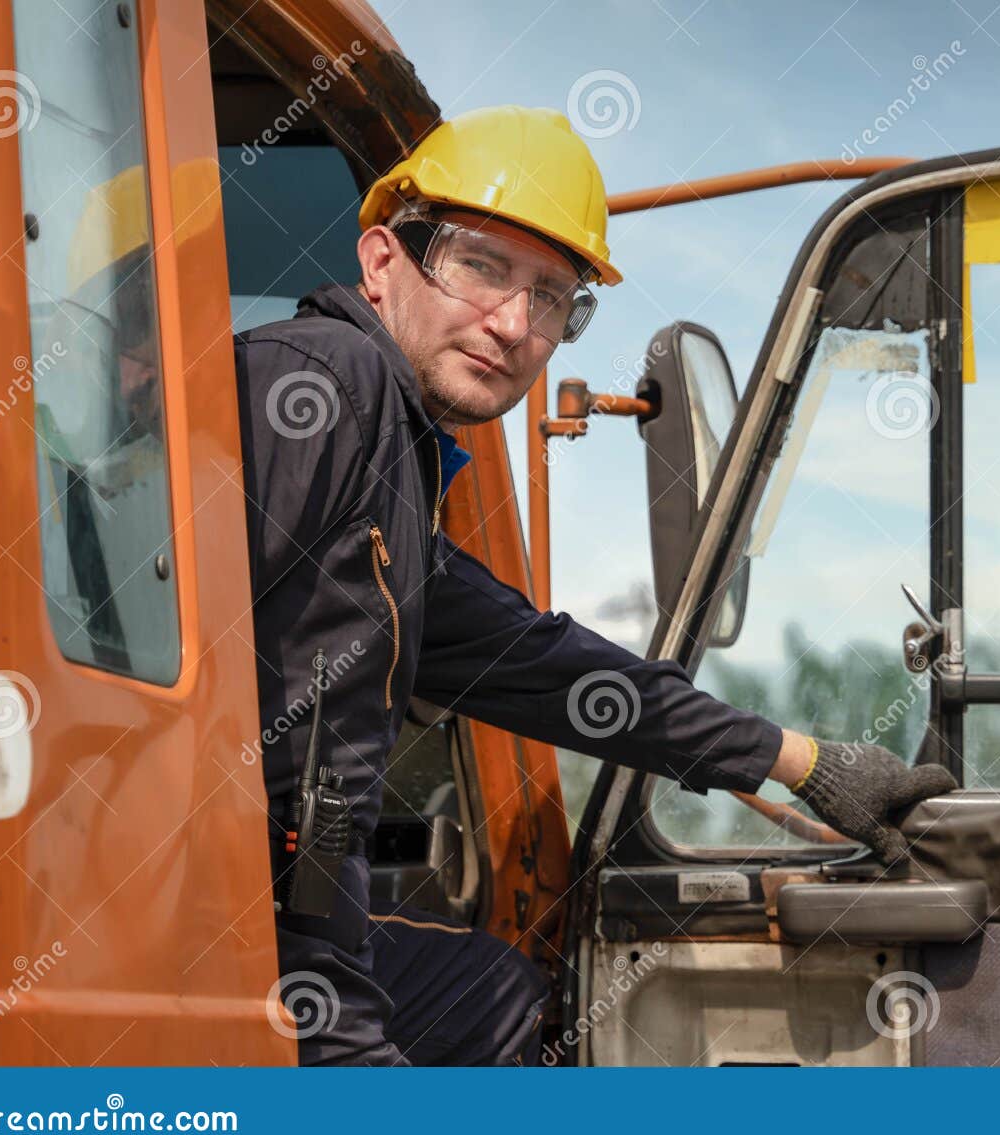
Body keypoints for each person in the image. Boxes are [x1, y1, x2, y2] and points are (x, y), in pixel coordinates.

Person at [233, 106, 956, 1066]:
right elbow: (243, 719)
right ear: (380, 261)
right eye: (481, 265)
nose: (514, 324)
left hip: (286, 919)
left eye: (553, 299)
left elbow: (545, 663)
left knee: (491, 994)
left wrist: (800, 759)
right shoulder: (331, 380)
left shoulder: (394, 479)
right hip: (220, 924)